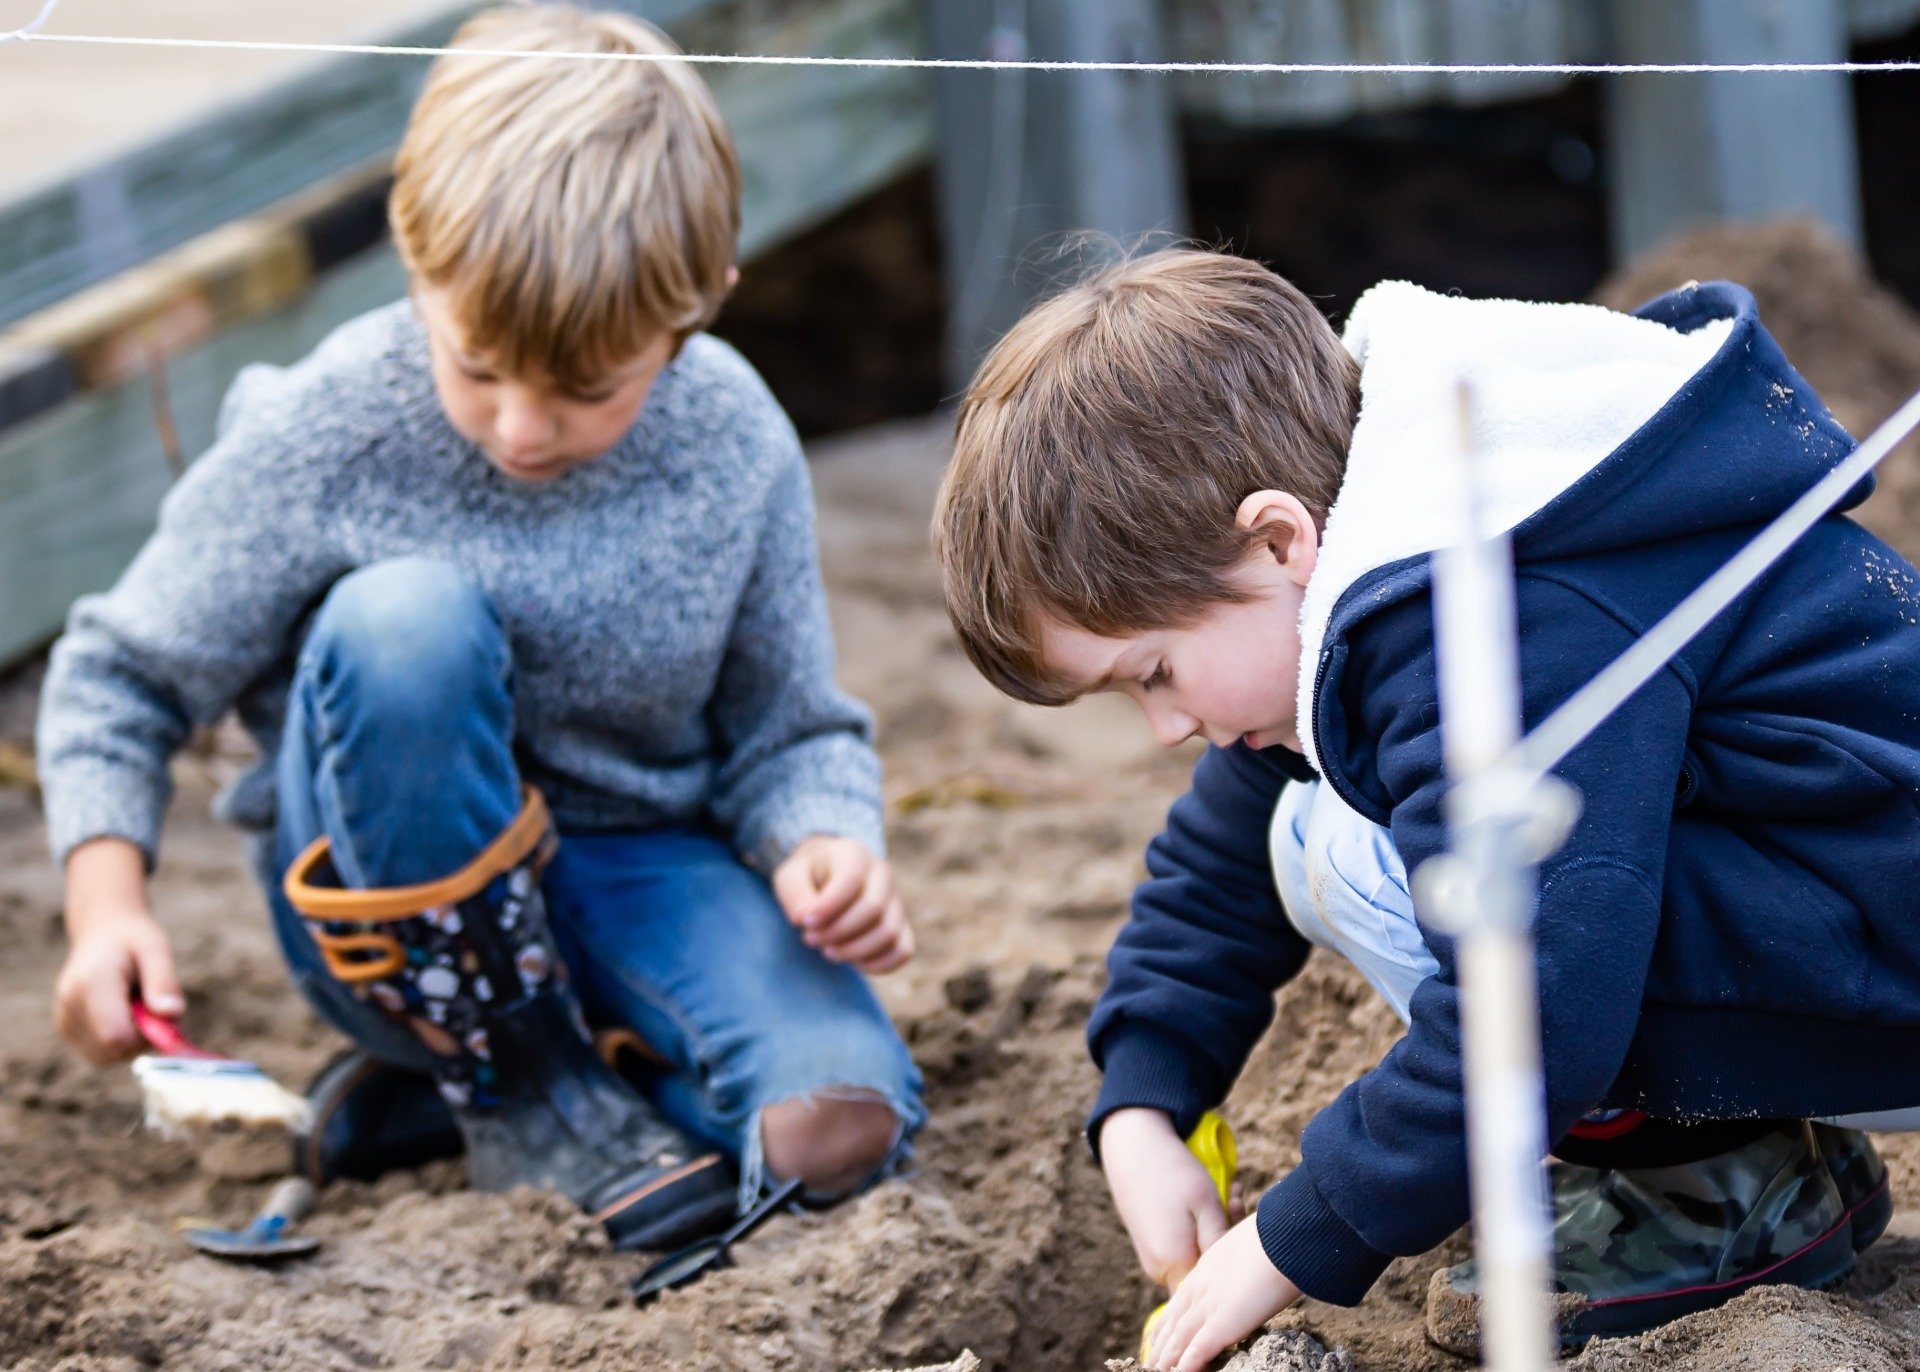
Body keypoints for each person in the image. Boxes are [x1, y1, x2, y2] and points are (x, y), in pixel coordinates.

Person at [932, 248, 1920, 1367]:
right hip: (1838, 904)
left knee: (1380, 865)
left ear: (1278, 541)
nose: (1163, 727)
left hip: (1893, 975)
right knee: (1307, 826)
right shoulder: (1395, 514)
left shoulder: (1487, 611)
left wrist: (1297, 1234)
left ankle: (1708, 1191)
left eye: (1154, 673)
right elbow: (1223, 851)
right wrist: (1145, 1100)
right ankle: (1758, 1160)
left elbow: (1534, 998)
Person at [39, 3, 923, 1252]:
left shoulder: (735, 441)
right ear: (417, 268)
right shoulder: (333, 426)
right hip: (389, 914)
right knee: (406, 621)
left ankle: (468, 1098)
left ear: (697, 311)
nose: (520, 428)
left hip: (636, 864)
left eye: (586, 387)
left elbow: (789, 725)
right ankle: (504, 1073)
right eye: (478, 369)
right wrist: (106, 906)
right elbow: (120, 672)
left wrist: (822, 839)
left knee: (834, 1130)